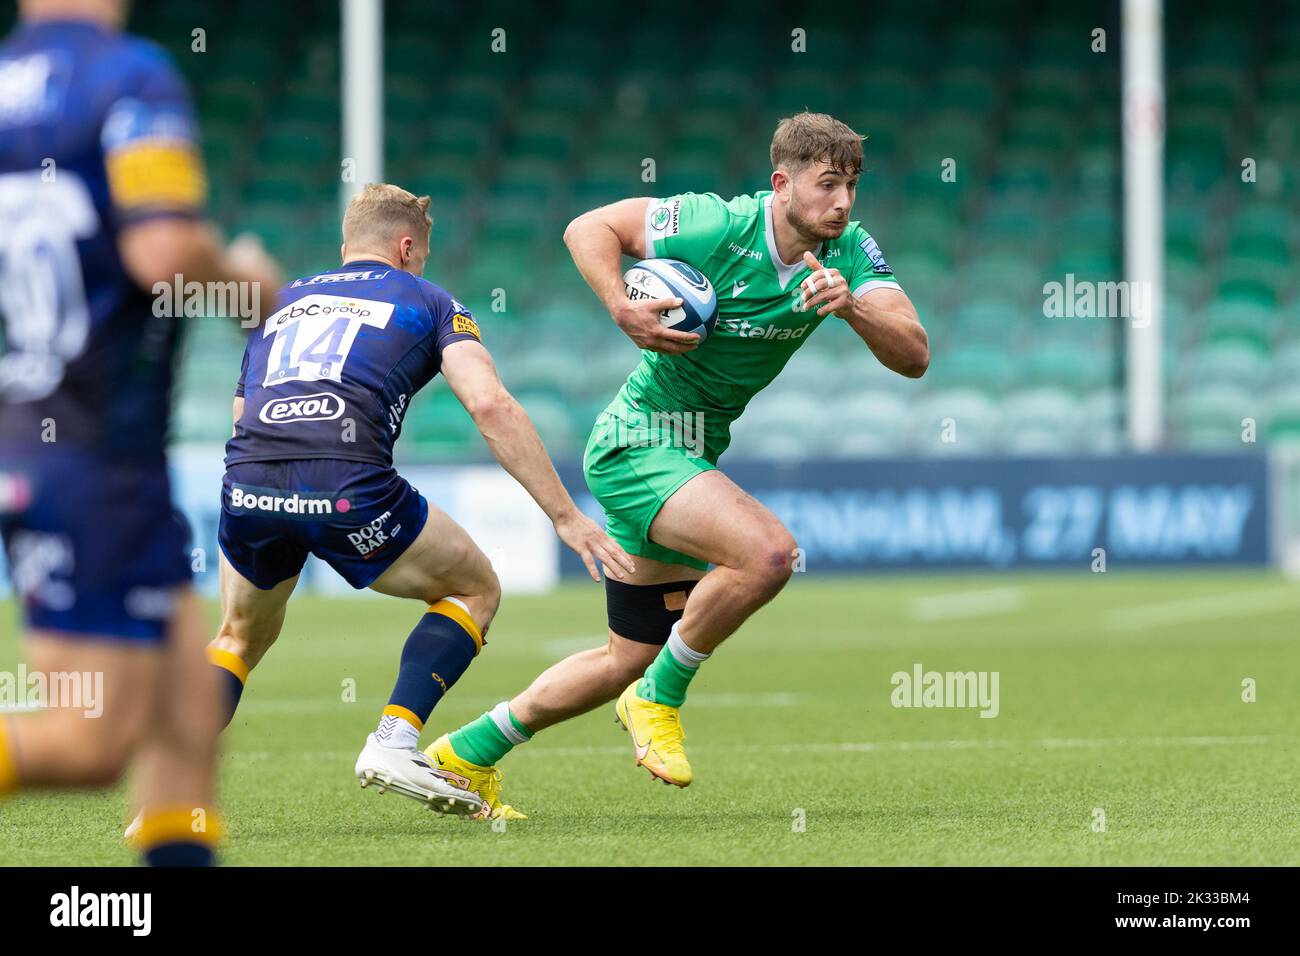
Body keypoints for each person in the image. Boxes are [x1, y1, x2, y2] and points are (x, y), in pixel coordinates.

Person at [434, 111, 928, 806]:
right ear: (781, 183)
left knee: (623, 659)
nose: (842, 202)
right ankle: (659, 700)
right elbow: (590, 227)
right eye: (827, 184)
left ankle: (464, 753)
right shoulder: (713, 224)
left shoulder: (848, 252)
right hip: (639, 440)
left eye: (851, 185)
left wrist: (852, 309)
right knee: (766, 555)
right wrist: (618, 302)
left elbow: (915, 355)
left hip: (692, 451)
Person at [201, 182, 633, 819]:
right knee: (474, 588)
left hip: (248, 481)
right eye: (422, 254)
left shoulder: (283, 299)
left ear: (347, 246)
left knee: (237, 638)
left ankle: (168, 783)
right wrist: (565, 516)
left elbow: (244, 415)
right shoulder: (432, 303)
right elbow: (489, 405)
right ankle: (395, 740)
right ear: (407, 248)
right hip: (347, 484)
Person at [0, 0, 281, 865]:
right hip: (95, 451)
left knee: (188, 715)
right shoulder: (128, 77)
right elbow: (161, 255)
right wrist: (244, 278)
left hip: (40, 431)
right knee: (91, 745)